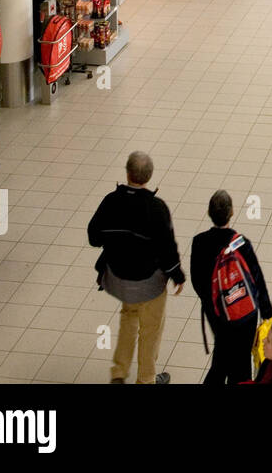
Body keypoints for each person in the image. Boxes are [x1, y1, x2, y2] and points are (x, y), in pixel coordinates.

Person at [87, 151, 185, 385]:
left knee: (129, 317)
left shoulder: (111, 201)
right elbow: (167, 248)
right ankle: (146, 379)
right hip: (148, 283)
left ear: (128, 173)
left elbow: (94, 236)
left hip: (119, 278)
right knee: (151, 328)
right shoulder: (156, 208)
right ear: (149, 177)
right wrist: (177, 275)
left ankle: (119, 372)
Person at [191, 190, 272, 385]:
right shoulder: (241, 243)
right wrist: (267, 313)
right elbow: (257, 279)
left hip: (218, 314)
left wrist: (212, 304)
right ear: (232, 212)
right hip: (245, 313)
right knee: (241, 360)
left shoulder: (199, 242)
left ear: (209, 212)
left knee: (222, 353)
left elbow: (197, 281)